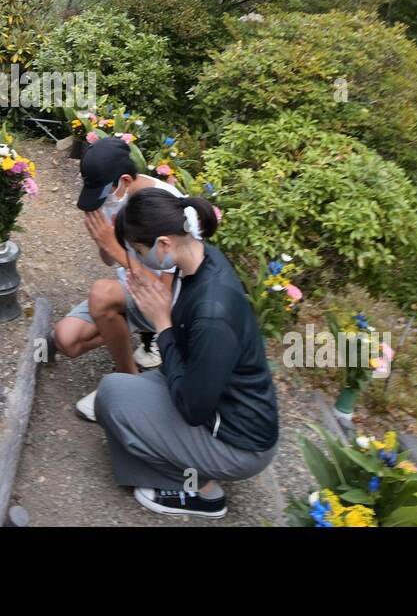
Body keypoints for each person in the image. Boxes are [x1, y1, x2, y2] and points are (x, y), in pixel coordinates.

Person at [94, 187, 279, 519]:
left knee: (112, 397)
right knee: (122, 390)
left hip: (239, 441)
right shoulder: (200, 260)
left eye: (138, 250)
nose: (135, 260)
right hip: (219, 403)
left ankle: (201, 491)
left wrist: (162, 324)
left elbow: (194, 408)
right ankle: (182, 460)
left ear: (164, 243)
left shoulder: (212, 312)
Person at [51, 137, 183, 420]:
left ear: (124, 179)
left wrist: (114, 247)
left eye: (104, 193)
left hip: (164, 303)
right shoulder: (110, 198)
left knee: (100, 293)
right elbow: (108, 260)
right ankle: (123, 330)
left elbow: (162, 292)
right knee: (66, 340)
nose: (101, 202)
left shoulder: (166, 206)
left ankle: (128, 377)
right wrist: (104, 245)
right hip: (129, 289)